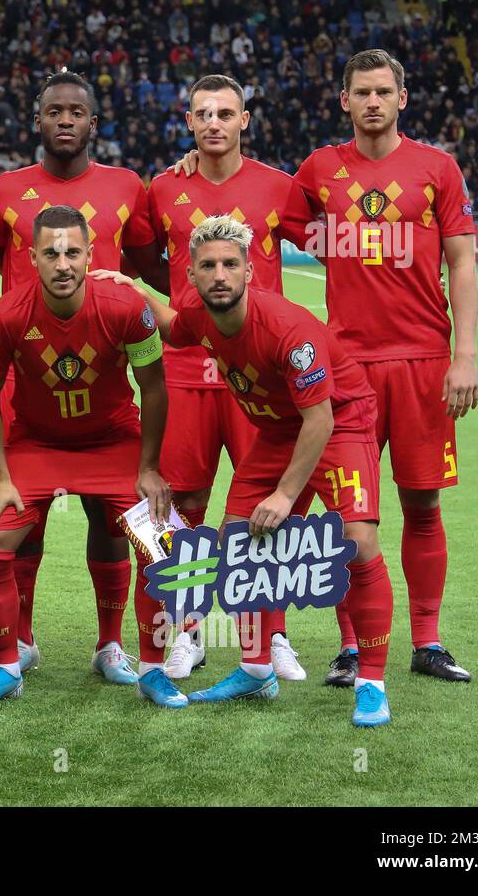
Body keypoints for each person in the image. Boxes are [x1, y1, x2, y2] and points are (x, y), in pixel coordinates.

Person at [103, 213, 395, 727]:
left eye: (230, 264)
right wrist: (134, 287)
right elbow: (174, 330)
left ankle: (372, 682)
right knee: (240, 542)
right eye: (209, 265)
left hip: (338, 423)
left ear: (249, 271)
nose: (220, 274)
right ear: (191, 275)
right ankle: (257, 669)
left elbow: (320, 419)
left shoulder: (290, 329)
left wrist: (285, 496)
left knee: (358, 539)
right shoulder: (198, 308)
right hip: (281, 431)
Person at [289, 49, 478, 685]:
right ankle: (351, 647)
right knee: (350, 514)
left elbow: (463, 265)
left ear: (403, 98)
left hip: (425, 362)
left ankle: (427, 641)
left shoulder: (436, 168)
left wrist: (466, 357)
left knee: (422, 504)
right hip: (348, 369)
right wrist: (194, 165)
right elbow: (268, 213)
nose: (372, 101)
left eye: (382, 91)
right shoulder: (319, 168)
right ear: (344, 101)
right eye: (361, 92)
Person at [0, 70, 161, 675]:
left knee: (114, 520)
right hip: (28, 381)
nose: (66, 120)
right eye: (55, 111)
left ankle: (112, 645)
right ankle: (19, 642)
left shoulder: (129, 186)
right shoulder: (3, 189)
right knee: (27, 518)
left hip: (103, 378)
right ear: (38, 120)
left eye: (78, 111)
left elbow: (155, 265)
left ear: (93, 123)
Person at [0, 206, 181, 707]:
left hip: (112, 442)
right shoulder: (7, 314)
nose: (62, 264)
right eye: (51, 254)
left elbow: (154, 386)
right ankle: (8, 663)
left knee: (161, 542)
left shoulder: (127, 307)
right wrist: (0, 476)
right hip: (38, 443)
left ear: (91, 255)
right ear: (32, 258)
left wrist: (148, 467)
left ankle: (140, 662)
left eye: (72, 253)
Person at [148, 74, 310, 682]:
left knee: (265, 517)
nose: (213, 122)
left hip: (261, 381)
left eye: (225, 112)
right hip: (187, 371)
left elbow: (333, 243)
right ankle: (186, 630)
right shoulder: (162, 189)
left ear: (246, 120)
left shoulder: (279, 187)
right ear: (187, 122)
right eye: (201, 113)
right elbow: (145, 259)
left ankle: (270, 638)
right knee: (184, 506)